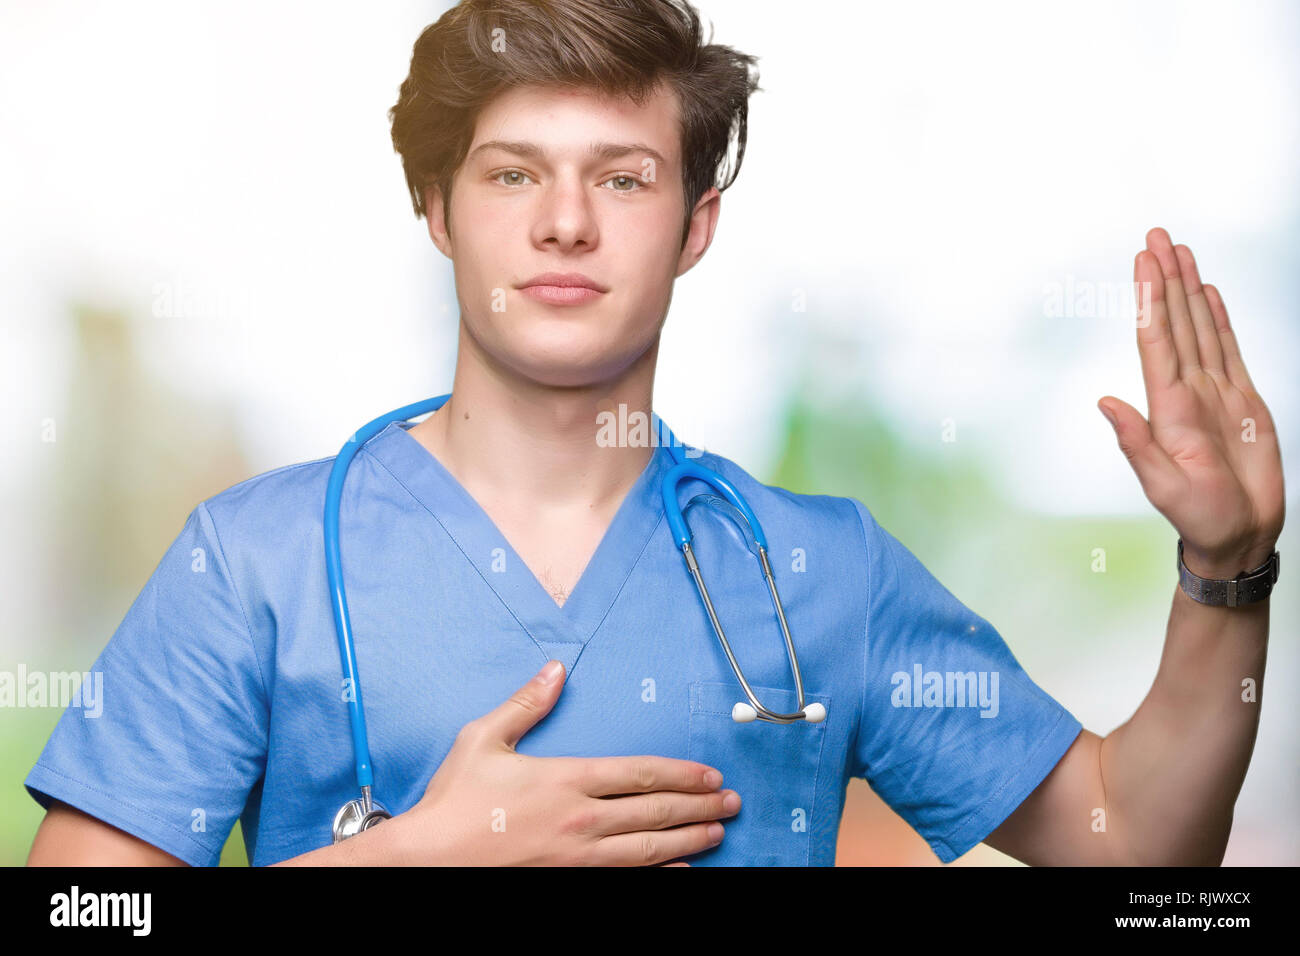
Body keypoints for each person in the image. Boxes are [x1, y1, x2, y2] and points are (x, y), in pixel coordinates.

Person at [25, 0, 1283, 867]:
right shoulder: (252, 562)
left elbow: (1138, 841)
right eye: (513, 172)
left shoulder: (818, 571)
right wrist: (410, 853)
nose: (565, 222)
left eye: (621, 176)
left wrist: (1224, 573)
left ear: (694, 225)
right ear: (435, 210)